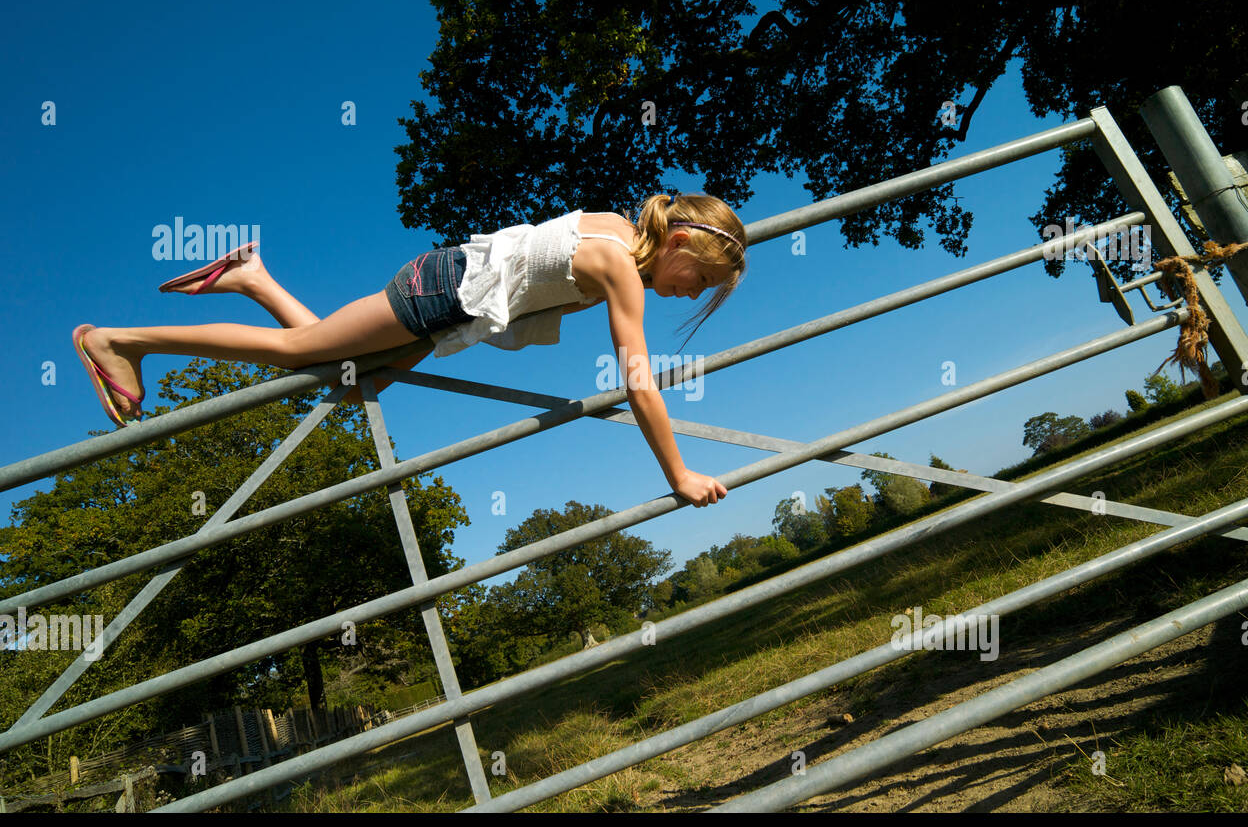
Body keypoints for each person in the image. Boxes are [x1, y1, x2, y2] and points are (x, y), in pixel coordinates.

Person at [73, 192, 747, 507]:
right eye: (704, 280)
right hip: (440, 293)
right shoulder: (619, 268)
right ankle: (121, 340)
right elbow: (638, 379)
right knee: (297, 350)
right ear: (681, 242)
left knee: (345, 378)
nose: (693, 295)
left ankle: (251, 275)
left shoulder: (616, 230)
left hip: (451, 299)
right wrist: (678, 474)